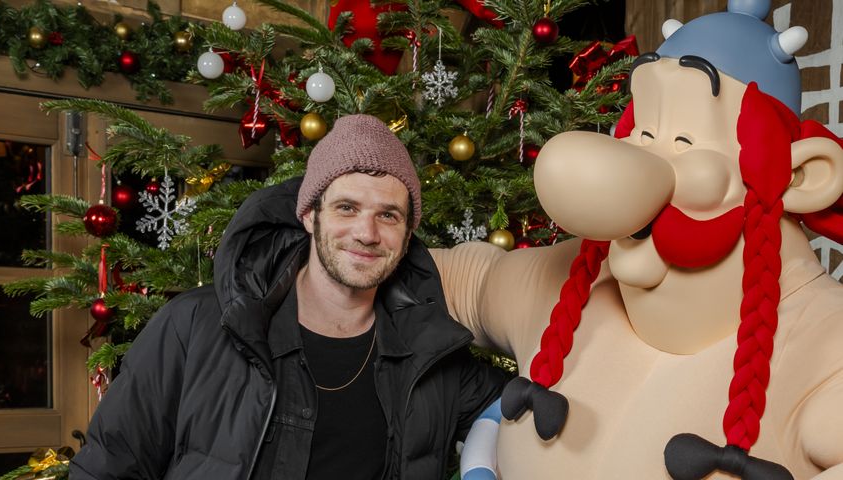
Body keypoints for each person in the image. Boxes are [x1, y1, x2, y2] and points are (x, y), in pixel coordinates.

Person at [437, 2, 843, 479]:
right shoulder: (561, 279)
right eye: (644, 132)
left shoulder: (825, 345)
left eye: (684, 142)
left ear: (800, 176)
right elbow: (463, 280)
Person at [69, 114, 507, 480]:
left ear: (407, 233)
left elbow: (510, 404)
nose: (366, 233)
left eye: (388, 215)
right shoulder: (196, 326)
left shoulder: (429, 354)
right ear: (309, 216)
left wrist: (532, 397)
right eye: (347, 208)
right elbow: (106, 469)